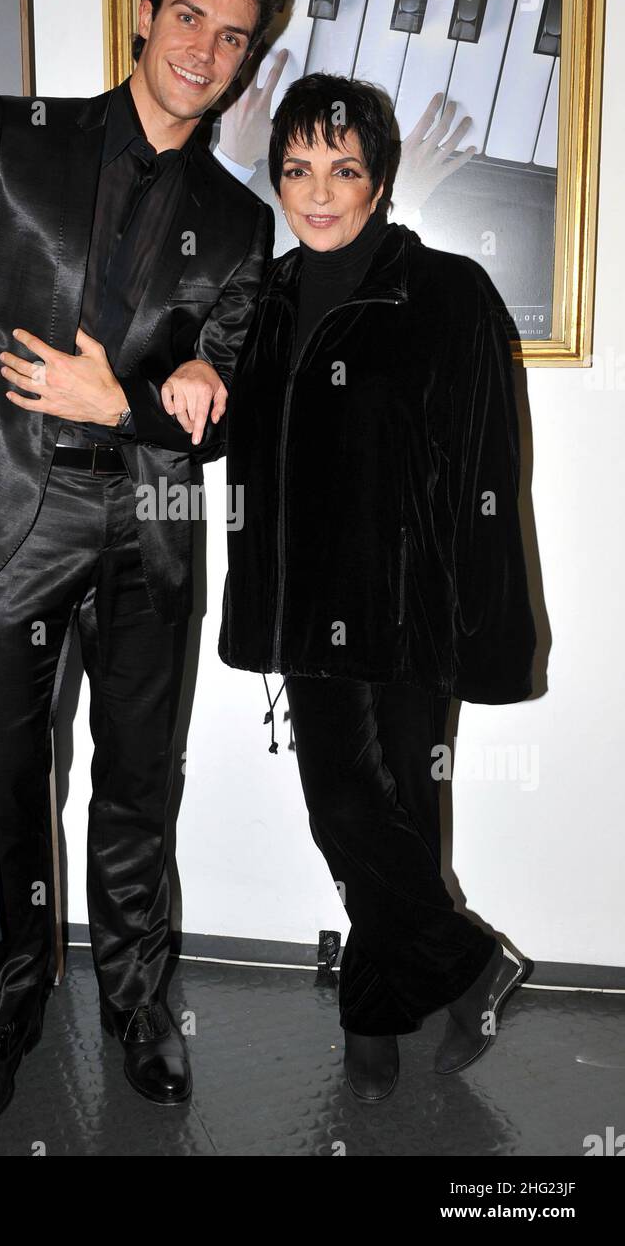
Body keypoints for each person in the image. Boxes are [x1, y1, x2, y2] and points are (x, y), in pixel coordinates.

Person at [0, 0, 278, 1131]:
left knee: (140, 786)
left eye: (235, 36)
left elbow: (222, 399)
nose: (207, 48)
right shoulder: (13, 137)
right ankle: (4, 1011)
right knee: (9, 785)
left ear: (249, 64)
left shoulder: (239, 225)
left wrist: (158, 400)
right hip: (7, 519)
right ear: (146, 15)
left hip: (149, 525)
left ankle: (141, 1010)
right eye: (191, 16)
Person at [218, 73, 537, 1102]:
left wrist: (492, 634)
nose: (318, 192)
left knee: (407, 805)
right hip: (306, 608)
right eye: (298, 168)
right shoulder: (256, 299)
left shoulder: (448, 292)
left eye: (343, 169)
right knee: (345, 814)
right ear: (277, 178)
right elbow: (217, 425)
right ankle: (469, 961)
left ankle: (371, 1013)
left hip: (414, 605)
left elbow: (494, 472)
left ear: (382, 180)